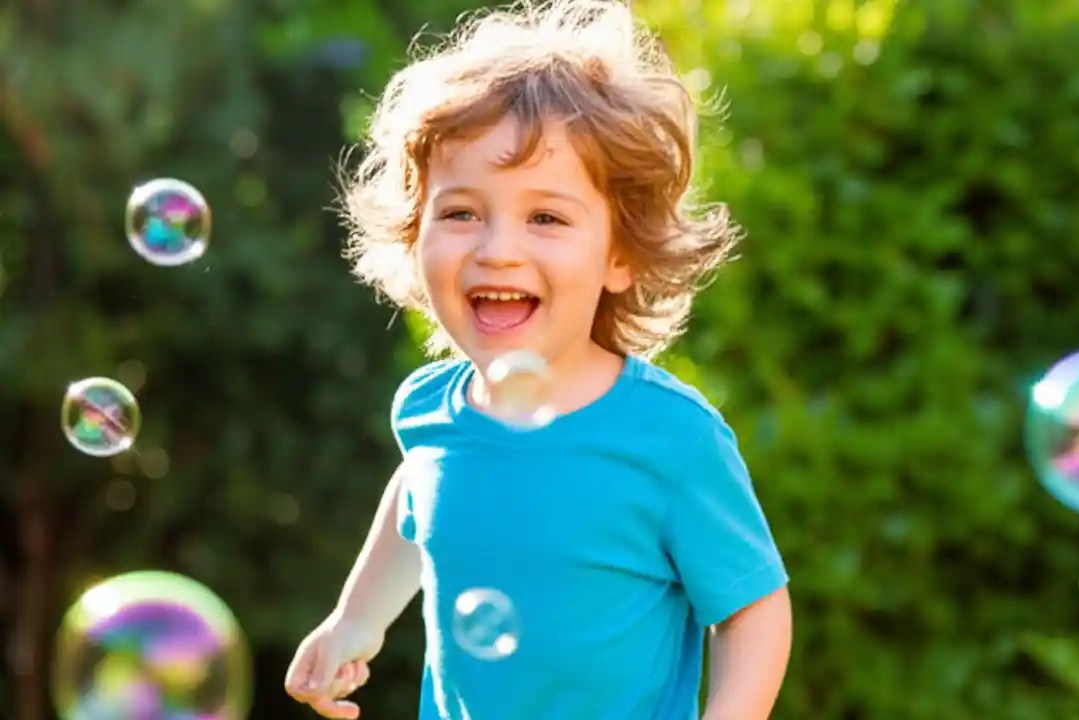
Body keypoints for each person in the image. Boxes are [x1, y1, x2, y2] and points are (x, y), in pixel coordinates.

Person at [283, 0, 791, 717]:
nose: (497, 249)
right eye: (460, 213)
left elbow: (753, 609)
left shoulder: (671, 440)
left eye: (545, 218)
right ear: (413, 233)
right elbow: (416, 496)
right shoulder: (429, 409)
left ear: (620, 254)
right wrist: (355, 622)